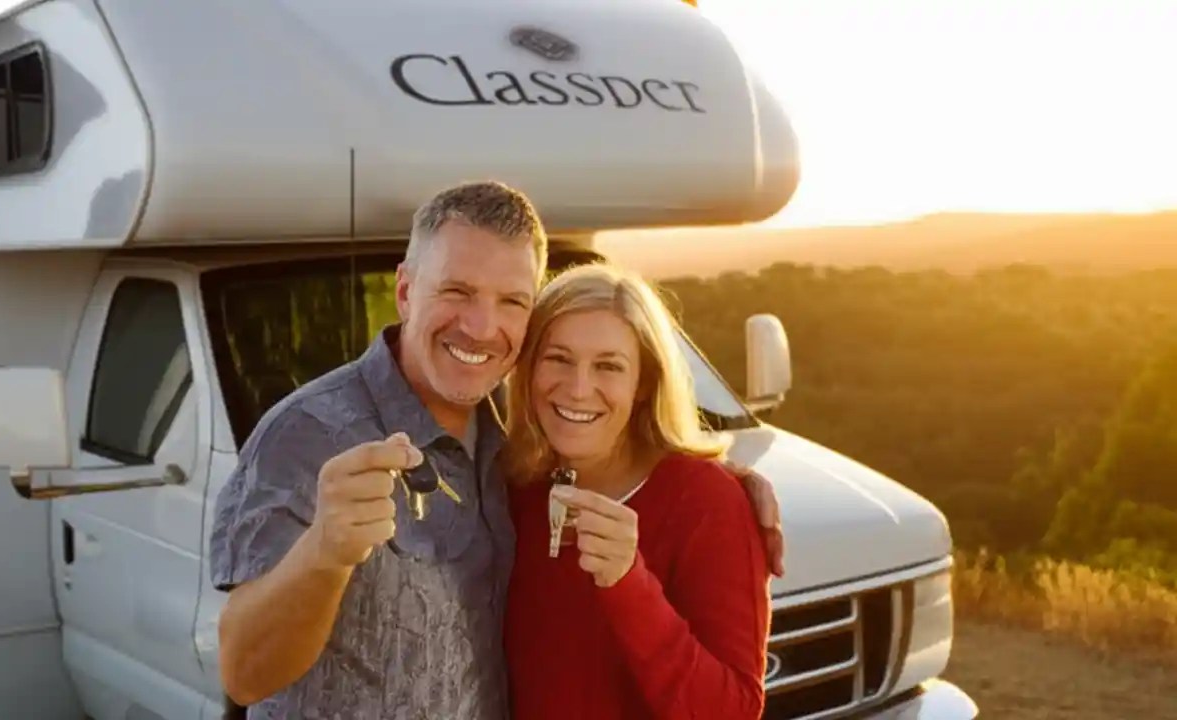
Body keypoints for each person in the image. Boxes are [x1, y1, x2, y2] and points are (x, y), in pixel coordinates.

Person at [209, 180, 782, 719]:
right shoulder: (308, 434)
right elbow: (244, 675)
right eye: (458, 291)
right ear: (406, 291)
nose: (482, 327)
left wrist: (719, 487)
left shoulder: (509, 452)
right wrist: (325, 552)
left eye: (511, 301)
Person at [502, 263, 770, 719]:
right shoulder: (512, 486)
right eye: (558, 359)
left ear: (643, 383)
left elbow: (734, 711)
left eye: (608, 366)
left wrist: (628, 583)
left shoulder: (707, 502)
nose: (578, 389)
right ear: (527, 370)